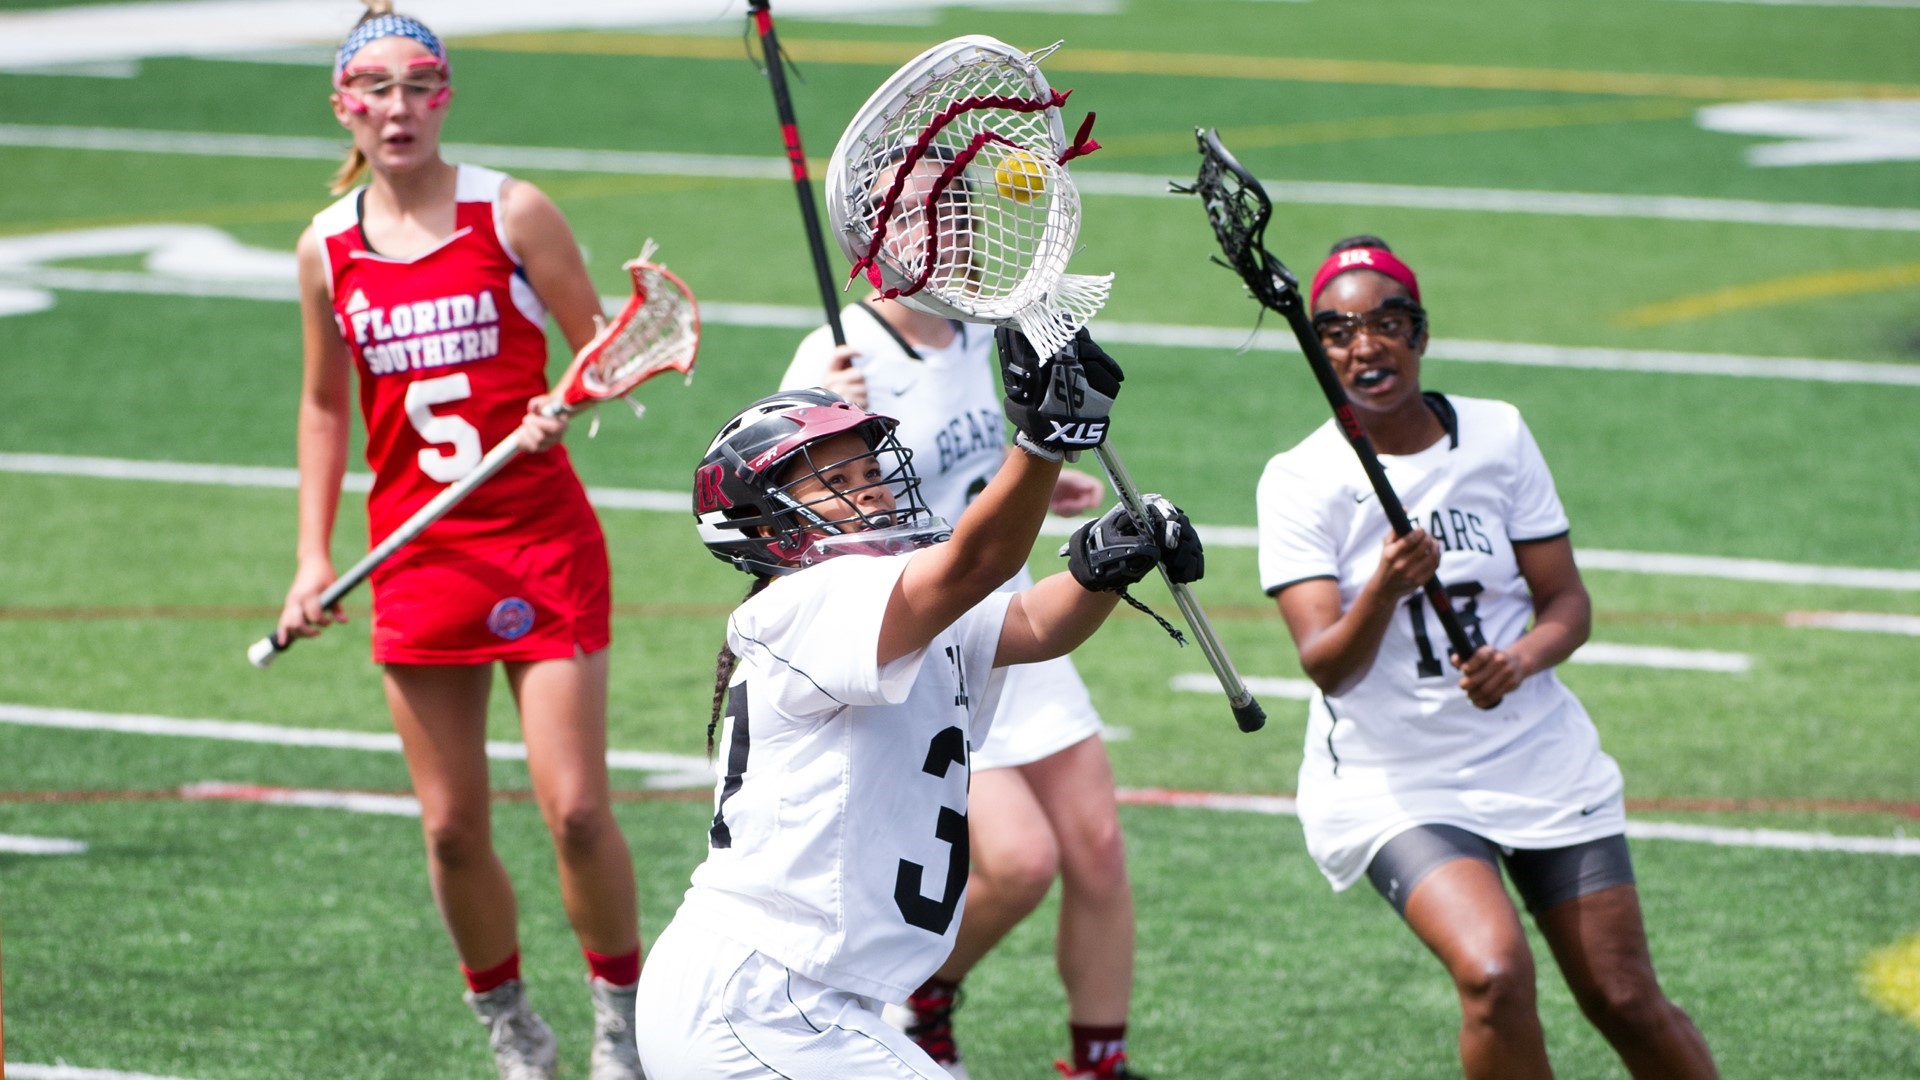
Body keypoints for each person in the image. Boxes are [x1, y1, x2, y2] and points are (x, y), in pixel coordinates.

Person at [633, 329, 1201, 1079]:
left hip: (792, 996)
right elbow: (976, 564)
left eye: (870, 470)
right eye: (835, 481)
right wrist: (1042, 442)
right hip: (764, 996)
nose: (870, 488)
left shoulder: (878, 602)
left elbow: (1033, 626)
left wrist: (1104, 563)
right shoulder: (806, 601)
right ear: (767, 526)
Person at [272, 5, 645, 1077]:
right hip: (417, 555)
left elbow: (604, 350)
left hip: (538, 540)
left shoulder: (511, 211)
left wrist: (564, 402)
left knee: (577, 812)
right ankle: (512, 1028)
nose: (398, 107)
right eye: (374, 88)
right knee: (449, 827)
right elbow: (323, 408)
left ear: (445, 97)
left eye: (418, 85)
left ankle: (621, 1021)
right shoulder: (326, 247)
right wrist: (312, 557)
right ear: (343, 105)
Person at [1255, 237, 1718, 1079]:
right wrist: (1385, 587)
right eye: (1339, 332)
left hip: (1537, 759)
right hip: (1398, 783)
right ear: (1320, 350)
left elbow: (1567, 604)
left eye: (1388, 322)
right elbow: (1326, 664)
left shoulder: (1496, 435)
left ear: (1421, 332)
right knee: (1494, 973)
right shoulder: (1299, 478)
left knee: (1624, 997)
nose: (1365, 347)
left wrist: (1521, 659)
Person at [782, 295, 1143, 1080]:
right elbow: (794, 519)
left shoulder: (983, 330)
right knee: (1021, 864)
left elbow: (980, 474)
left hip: (1016, 610)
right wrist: (831, 411)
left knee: (1099, 848)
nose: (955, 236)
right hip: (928, 639)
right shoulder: (837, 351)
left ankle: (1100, 1064)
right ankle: (922, 993)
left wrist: (1041, 488)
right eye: (931, 224)